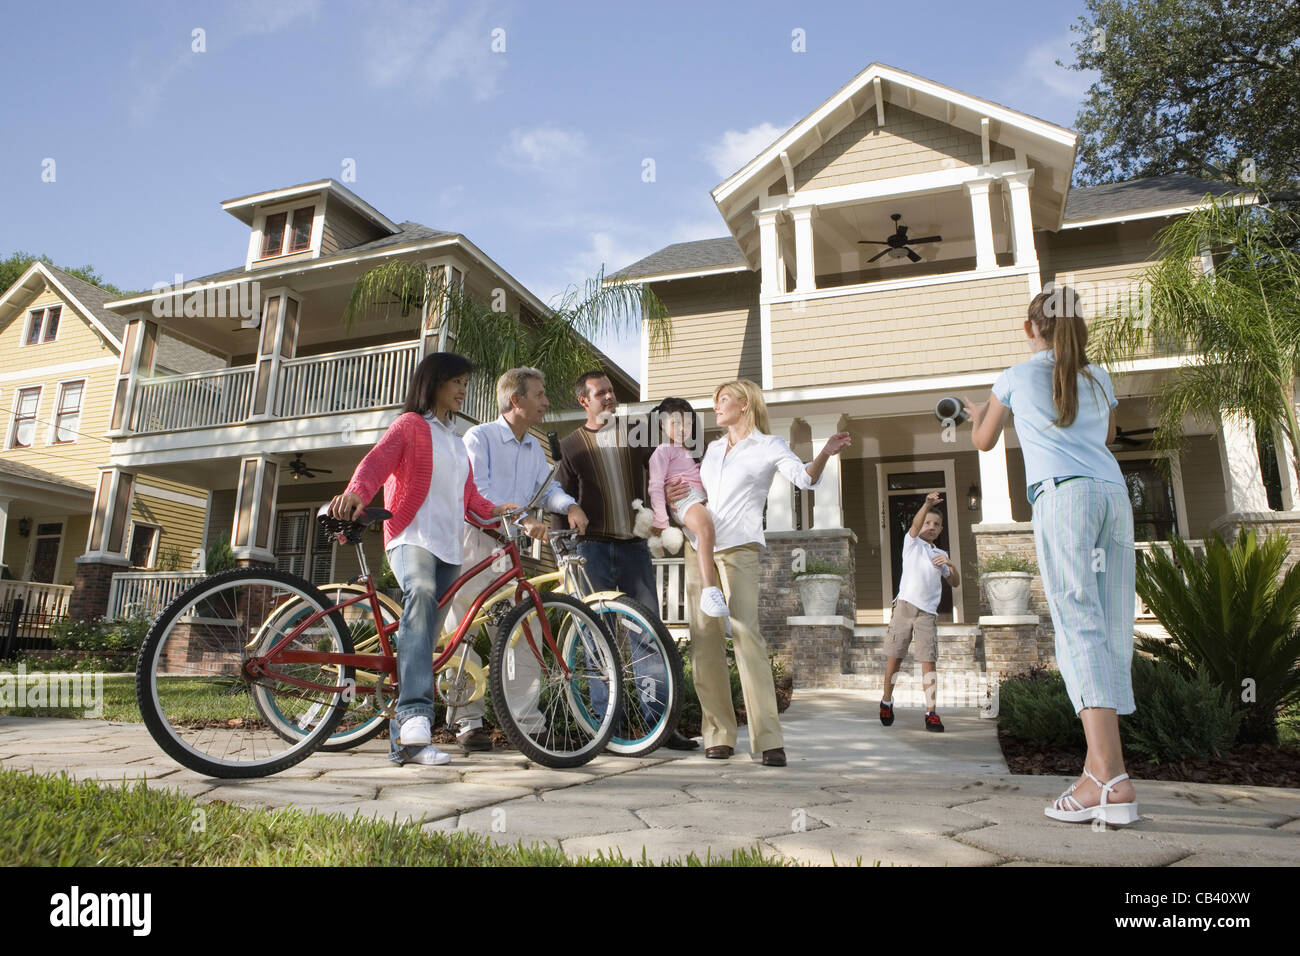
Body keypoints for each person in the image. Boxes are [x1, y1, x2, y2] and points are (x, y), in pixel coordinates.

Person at [962, 285, 1139, 825]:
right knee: (1109, 627)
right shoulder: (1099, 377)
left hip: (1065, 498)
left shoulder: (1014, 377)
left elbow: (983, 442)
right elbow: (1104, 435)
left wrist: (980, 413)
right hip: (1114, 496)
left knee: (1076, 623)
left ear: (1030, 328)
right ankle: (1098, 772)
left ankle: (1110, 779)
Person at [329, 352, 513, 766]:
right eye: (457, 381)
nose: (464, 389)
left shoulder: (454, 441)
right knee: (423, 594)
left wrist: (499, 510)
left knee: (426, 638)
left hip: (449, 547)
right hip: (411, 536)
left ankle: (406, 744)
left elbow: (470, 501)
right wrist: (357, 492)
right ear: (434, 382)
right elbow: (376, 462)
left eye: (466, 382)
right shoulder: (411, 426)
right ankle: (416, 714)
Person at [667, 380, 849, 766]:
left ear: (745, 405)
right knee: (705, 641)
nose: (717, 407)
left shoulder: (769, 446)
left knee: (746, 634)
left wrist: (824, 455)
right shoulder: (714, 449)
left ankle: (768, 739)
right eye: (715, 401)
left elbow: (804, 479)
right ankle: (718, 733)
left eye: (723, 401)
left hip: (740, 550)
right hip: (699, 549)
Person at [446, 367, 588, 751]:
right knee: (463, 631)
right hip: (474, 541)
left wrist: (570, 505)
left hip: (507, 552)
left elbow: (547, 490)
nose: (546, 403)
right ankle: (467, 723)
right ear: (516, 400)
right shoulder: (481, 437)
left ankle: (528, 724)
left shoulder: (532, 447)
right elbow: (478, 488)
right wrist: (522, 518)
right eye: (540, 395)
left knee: (524, 633)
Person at [557, 370, 698, 751]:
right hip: (592, 553)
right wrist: (565, 548)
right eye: (600, 393)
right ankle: (606, 729)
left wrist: (673, 487)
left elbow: (665, 466)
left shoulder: (636, 433)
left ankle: (660, 727)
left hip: (635, 549)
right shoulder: (571, 446)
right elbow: (561, 497)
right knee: (597, 639)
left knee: (648, 637)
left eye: (611, 391)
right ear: (583, 401)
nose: (609, 397)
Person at [879, 492, 961, 732]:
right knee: (895, 655)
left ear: (941, 528)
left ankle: (931, 712)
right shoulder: (911, 543)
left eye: (936, 524)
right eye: (928, 522)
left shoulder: (941, 555)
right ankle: (886, 700)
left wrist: (950, 565)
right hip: (905, 607)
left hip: (927, 614)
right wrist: (926, 505)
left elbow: (954, 583)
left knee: (928, 661)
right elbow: (915, 525)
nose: (931, 527)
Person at [647, 397, 729, 623]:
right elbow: (655, 486)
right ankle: (709, 591)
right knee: (704, 528)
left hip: (702, 500)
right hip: (685, 499)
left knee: (712, 540)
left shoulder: (693, 452)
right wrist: (661, 522)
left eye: (687, 423)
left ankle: (725, 614)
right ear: (663, 425)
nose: (683, 429)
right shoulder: (663, 451)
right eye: (675, 424)